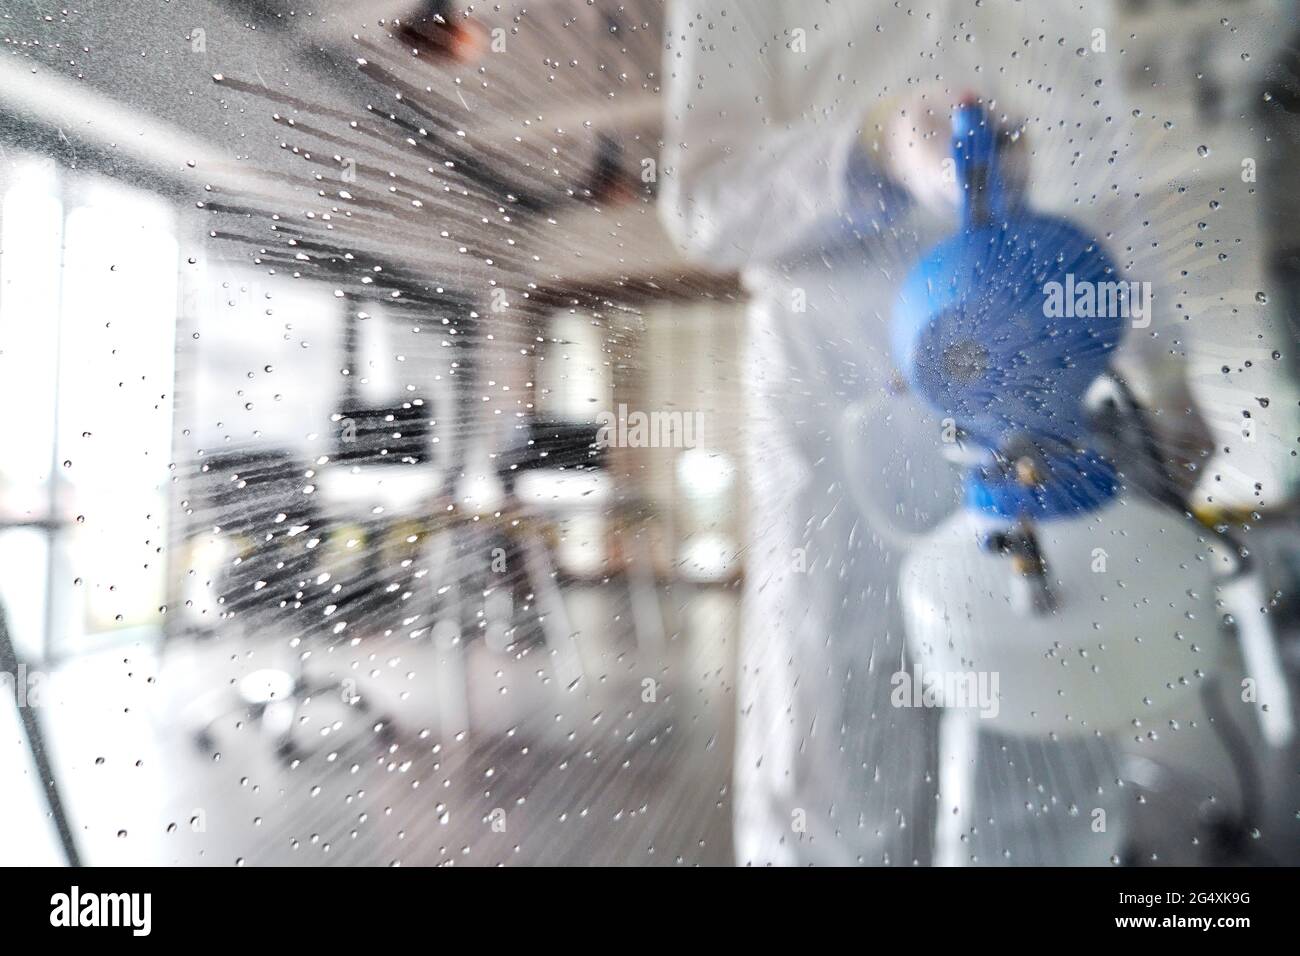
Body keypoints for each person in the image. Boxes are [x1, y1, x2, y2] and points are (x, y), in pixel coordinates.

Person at [659, 0, 1285, 865]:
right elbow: (704, 202)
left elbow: (1108, 175)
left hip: (1053, 380)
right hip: (842, 385)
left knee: (1051, 745)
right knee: (844, 741)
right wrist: (872, 148)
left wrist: (1163, 374)